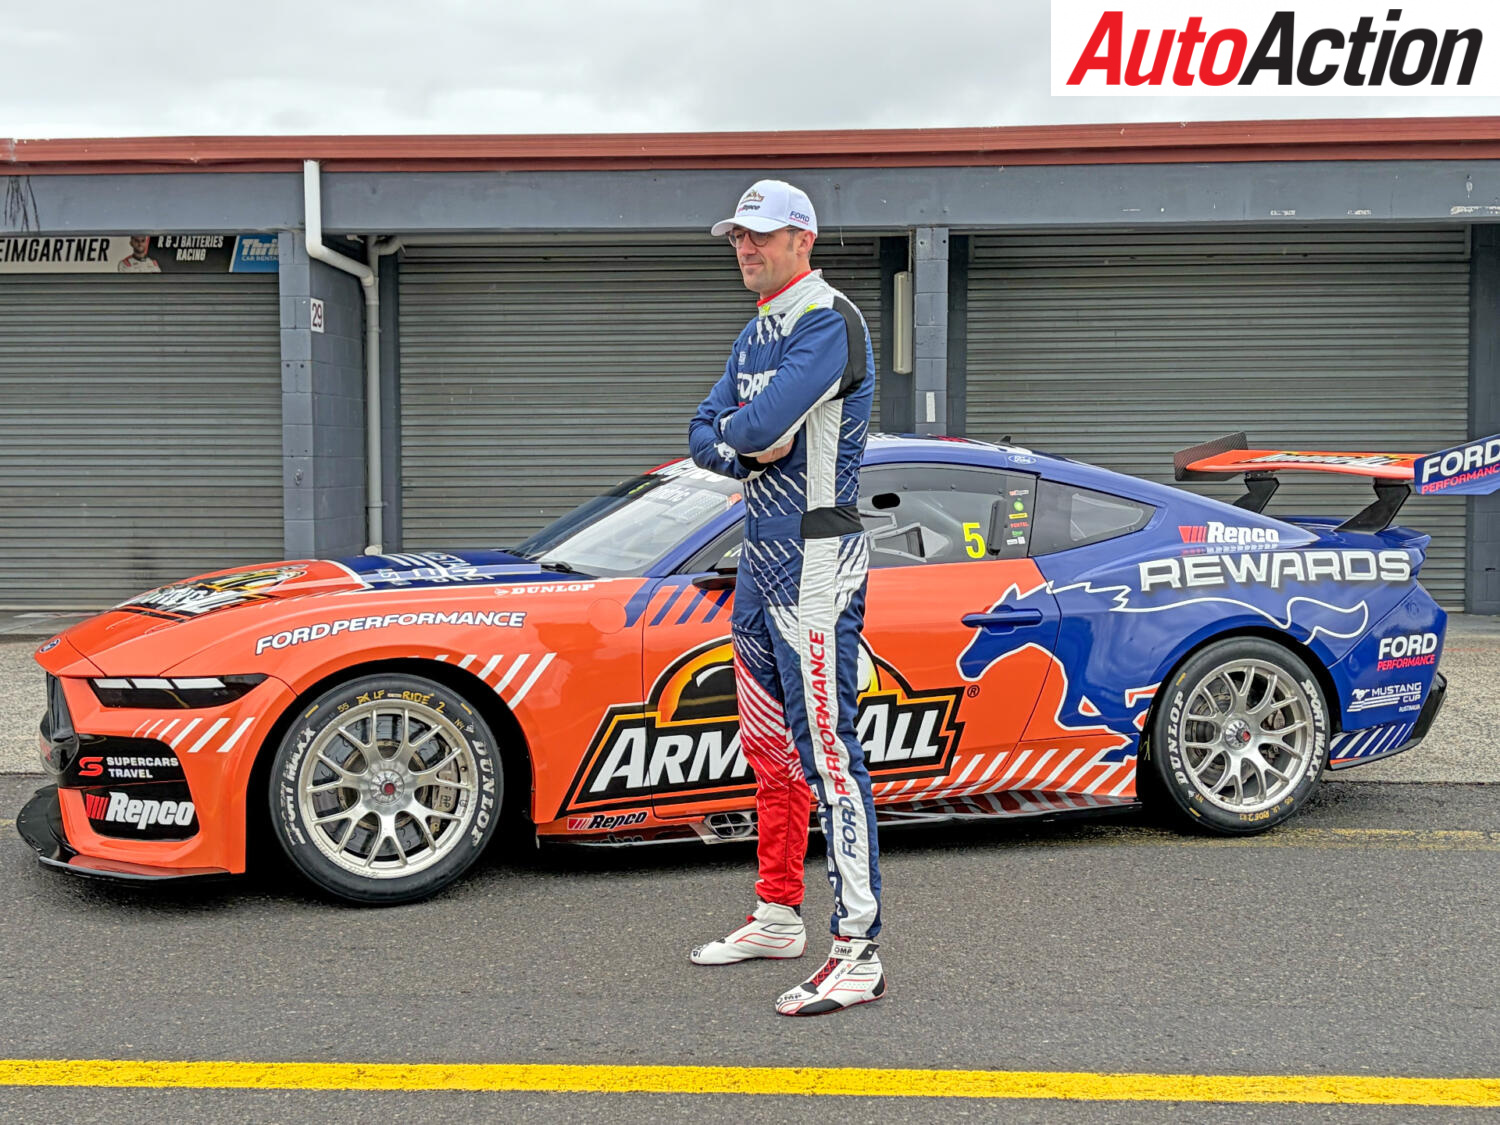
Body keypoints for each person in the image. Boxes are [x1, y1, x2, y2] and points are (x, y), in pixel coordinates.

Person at [686, 179, 884, 1016]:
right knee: (768, 747)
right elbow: (706, 432)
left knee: (829, 753)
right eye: (737, 236)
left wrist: (744, 433)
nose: (746, 248)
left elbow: (760, 424)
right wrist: (742, 440)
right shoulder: (755, 328)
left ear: (805, 238)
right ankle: (777, 912)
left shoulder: (826, 321)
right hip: (760, 556)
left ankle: (859, 950)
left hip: (816, 555)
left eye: (761, 236)